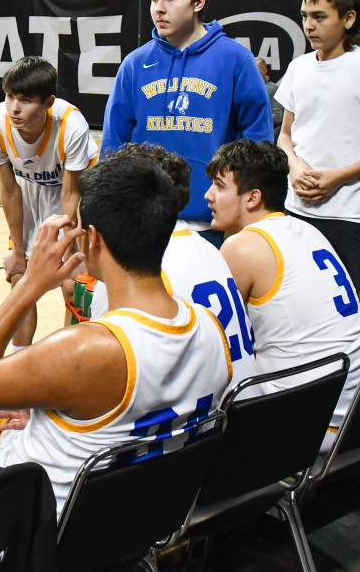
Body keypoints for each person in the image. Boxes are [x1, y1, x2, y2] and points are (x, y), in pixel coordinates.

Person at [0, 155, 232, 514]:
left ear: (92, 239)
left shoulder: (86, 348)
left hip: (48, 519)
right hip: (141, 510)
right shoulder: (210, 326)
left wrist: (29, 284)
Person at [207, 140, 360, 450]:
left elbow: (214, 343)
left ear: (252, 197)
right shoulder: (307, 229)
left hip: (318, 424)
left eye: (219, 186)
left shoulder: (241, 247)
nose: (209, 196)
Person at [102, 0, 272, 246]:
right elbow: (113, 144)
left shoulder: (235, 60)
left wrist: (241, 211)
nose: (159, 8)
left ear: (198, 2)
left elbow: (257, 143)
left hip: (209, 225)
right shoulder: (135, 63)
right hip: (142, 219)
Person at [87, 143, 259, 392]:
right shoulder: (206, 247)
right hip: (246, 401)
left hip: (209, 418)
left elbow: (101, 369)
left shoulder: (133, 264)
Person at [275, 0, 360, 292]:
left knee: (339, 308)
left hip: (348, 212)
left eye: (319, 16)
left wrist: (340, 176)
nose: (309, 25)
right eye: (304, 16)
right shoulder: (299, 67)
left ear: (348, 18)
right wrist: (295, 167)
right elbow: (285, 136)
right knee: (299, 299)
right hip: (297, 207)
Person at [0, 56, 98, 353]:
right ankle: (20, 364)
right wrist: (17, 252)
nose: (14, 108)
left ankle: (72, 361)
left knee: (73, 285)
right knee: (20, 281)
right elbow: (9, 191)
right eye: (10, 97)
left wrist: (68, 252)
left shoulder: (72, 124)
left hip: (79, 197)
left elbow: (71, 194)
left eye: (26, 100)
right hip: (30, 193)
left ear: (48, 102)